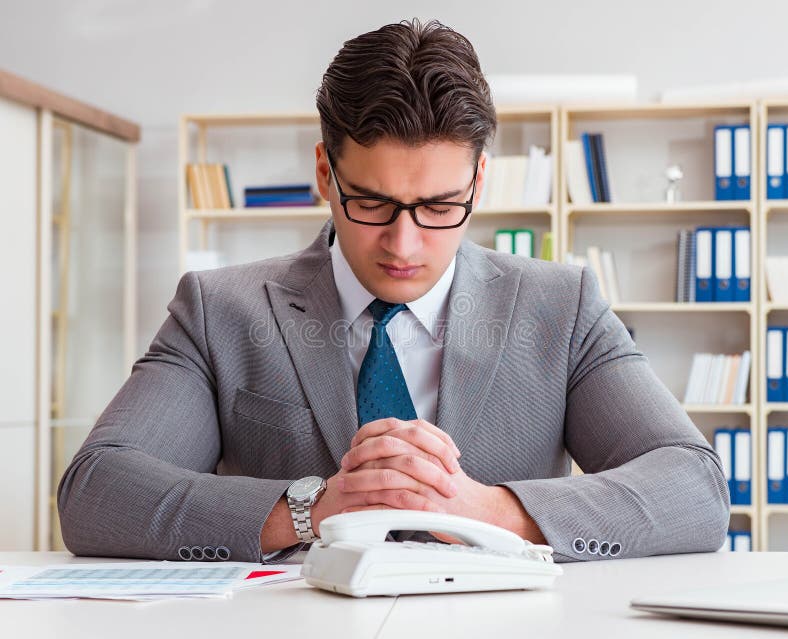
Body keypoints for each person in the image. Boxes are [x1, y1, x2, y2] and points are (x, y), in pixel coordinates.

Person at [58, 18, 729, 564]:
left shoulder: (563, 306)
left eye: (439, 206)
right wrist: (310, 509)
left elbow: (694, 487)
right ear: (325, 172)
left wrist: (487, 511)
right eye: (372, 203)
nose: (403, 245)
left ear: (479, 181)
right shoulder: (220, 311)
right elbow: (95, 490)